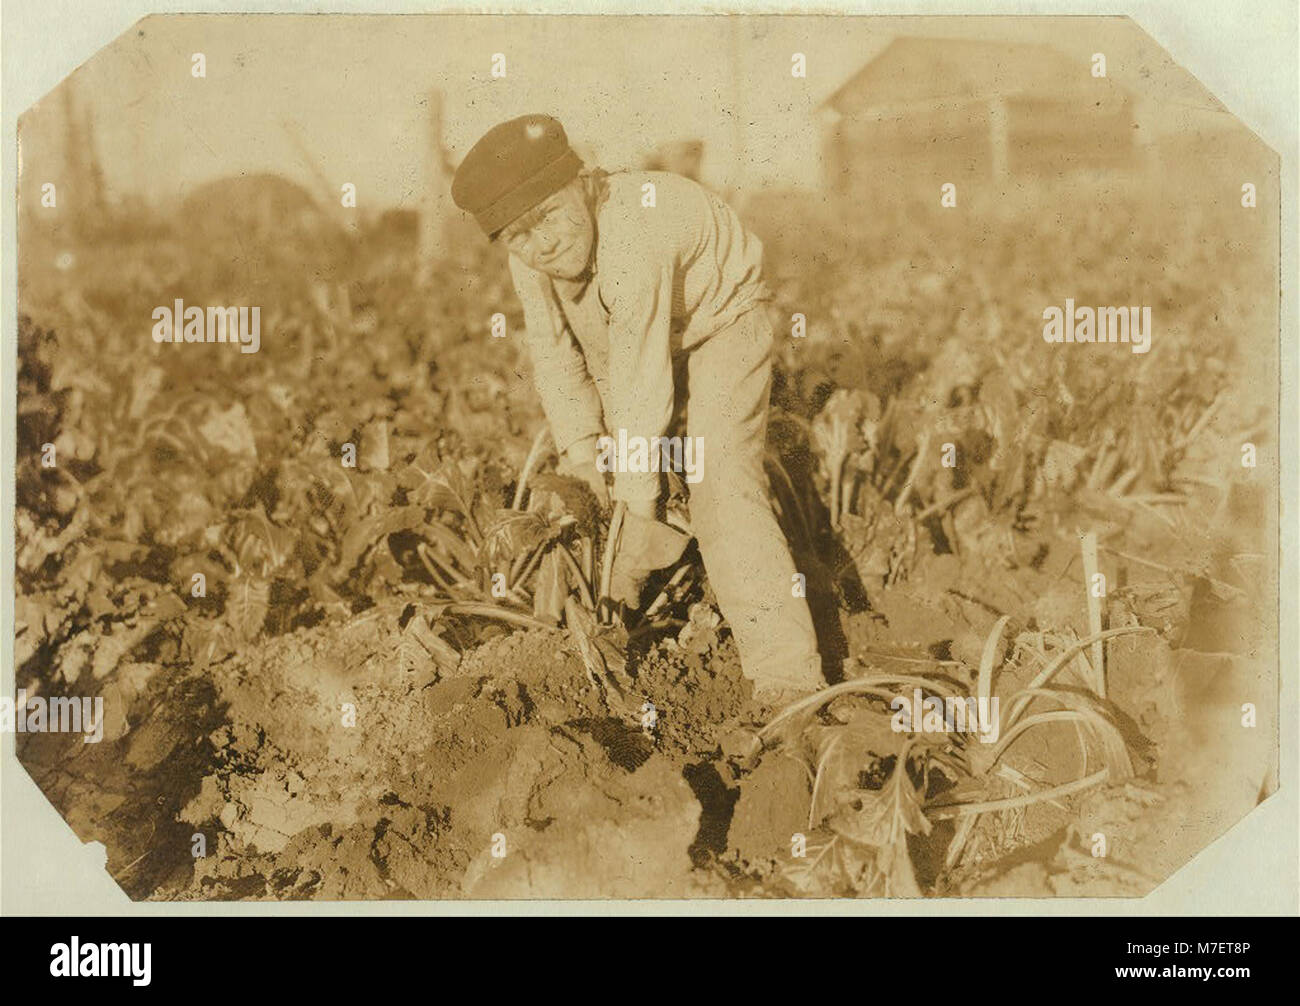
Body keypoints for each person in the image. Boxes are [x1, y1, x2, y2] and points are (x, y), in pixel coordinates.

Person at [451, 113, 823, 702]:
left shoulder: (631, 231)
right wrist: (580, 458)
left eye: (547, 217)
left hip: (721, 319)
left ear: (582, 183)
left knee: (717, 475)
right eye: (519, 235)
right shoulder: (532, 255)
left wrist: (633, 516)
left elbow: (640, 382)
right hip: (632, 325)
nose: (540, 243)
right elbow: (552, 353)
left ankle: (786, 678)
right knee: (599, 473)